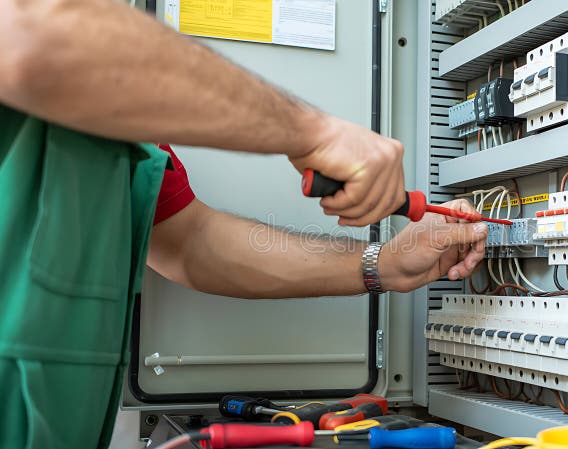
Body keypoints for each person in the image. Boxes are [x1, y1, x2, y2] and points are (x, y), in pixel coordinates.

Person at [0, 1, 487, 448]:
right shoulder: (60, 34)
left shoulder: (116, 116)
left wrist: (384, 263)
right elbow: (33, 34)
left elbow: (191, 242)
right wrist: (312, 131)